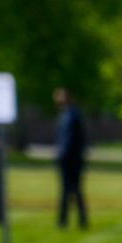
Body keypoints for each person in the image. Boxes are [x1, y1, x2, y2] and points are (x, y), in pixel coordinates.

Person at [53, 87, 89, 230]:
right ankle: (68, 220)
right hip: (69, 158)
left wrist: (62, 155)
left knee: (72, 190)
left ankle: (70, 220)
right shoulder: (66, 114)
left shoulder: (72, 115)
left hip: (71, 160)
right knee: (69, 190)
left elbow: (71, 139)